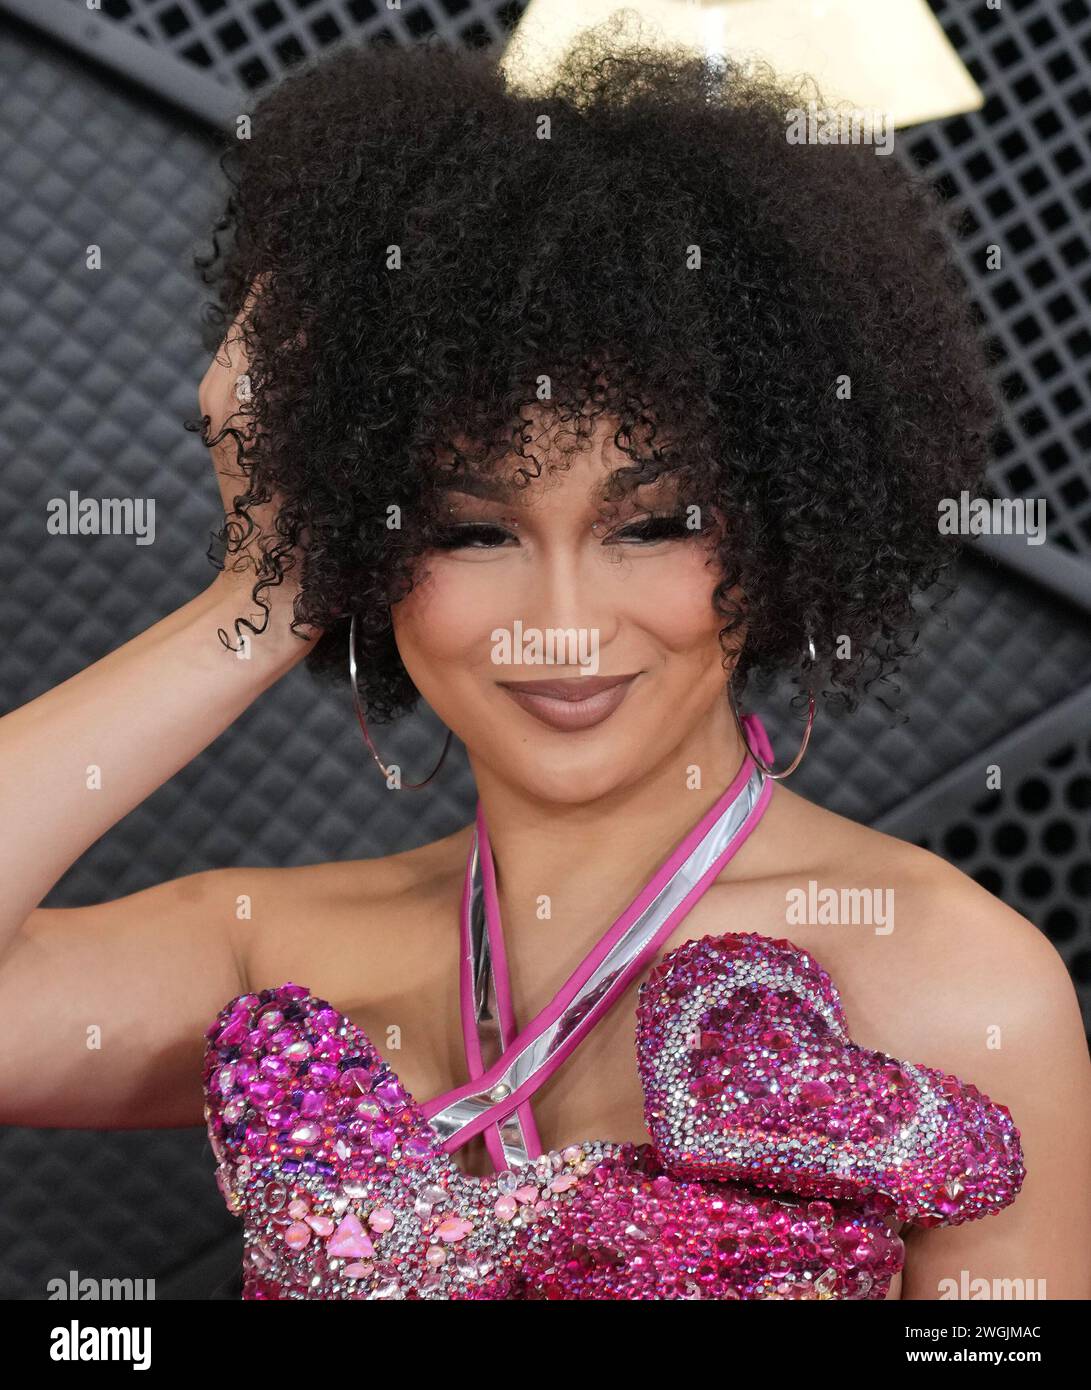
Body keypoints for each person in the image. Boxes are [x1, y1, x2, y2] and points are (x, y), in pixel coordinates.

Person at [1, 27, 1088, 1300]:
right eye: (472, 530)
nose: (560, 620)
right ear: (367, 541)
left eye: (653, 524)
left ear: (789, 526)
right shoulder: (272, 948)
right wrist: (257, 595)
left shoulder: (951, 978)